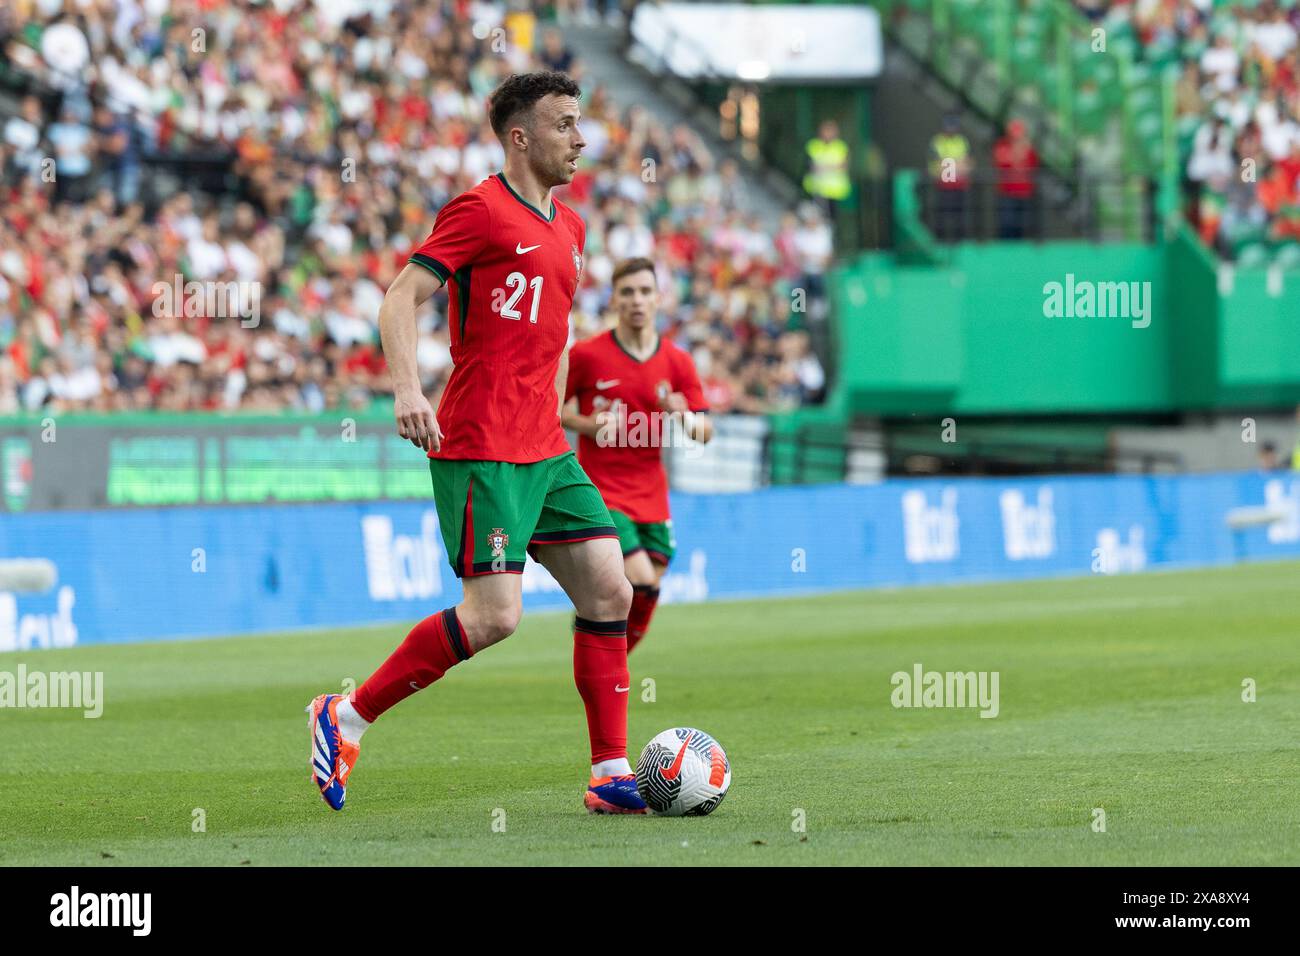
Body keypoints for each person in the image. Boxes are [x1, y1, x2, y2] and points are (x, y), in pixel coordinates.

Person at [307, 71, 647, 815]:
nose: (580, 138)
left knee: (611, 589)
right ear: (520, 136)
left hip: (546, 448)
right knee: (494, 617)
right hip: (483, 441)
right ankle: (347, 715)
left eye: (580, 122)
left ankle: (610, 774)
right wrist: (406, 388)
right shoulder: (482, 210)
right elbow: (400, 296)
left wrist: (561, 408)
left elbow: (551, 332)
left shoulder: (574, 227)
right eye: (564, 124)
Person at [562, 257, 713, 653]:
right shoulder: (588, 355)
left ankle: (605, 655)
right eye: (627, 292)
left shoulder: (677, 361)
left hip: (652, 493)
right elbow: (550, 409)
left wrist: (683, 416)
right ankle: (611, 661)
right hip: (603, 493)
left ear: (658, 299)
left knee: (648, 588)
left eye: (645, 291)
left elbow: (705, 431)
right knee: (641, 581)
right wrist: (588, 425)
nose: (637, 300)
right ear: (613, 299)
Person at [928, 113, 971, 242]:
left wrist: (949, 164)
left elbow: (967, 164)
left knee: (960, 218)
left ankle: (960, 244)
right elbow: (938, 165)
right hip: (943, 186)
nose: (951, 129)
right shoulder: (937, 142)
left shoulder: (962, 141)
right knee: (941, 217)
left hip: (959, 185)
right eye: (949, 126)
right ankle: (939, 243)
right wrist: (956, 165)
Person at [992, 119, 1038, 239]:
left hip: (1024, 192)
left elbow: (1032, 165)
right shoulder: (1002, 145)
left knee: (1023, 225)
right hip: (1007, 192)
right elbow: (1002, 163)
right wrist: (1019, 151)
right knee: (1007, 223)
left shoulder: (1029, 148)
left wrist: (1023, 150)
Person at [802, 119, 851, 219]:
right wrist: (833, 167)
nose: (828, 134)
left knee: (832, 219)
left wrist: (824, 167)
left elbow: (844, 166)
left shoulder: (841, 146)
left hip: (835, 191)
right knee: (816, 218)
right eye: (826, 130)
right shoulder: (813, 145)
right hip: (816, 189)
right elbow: (810, 166)